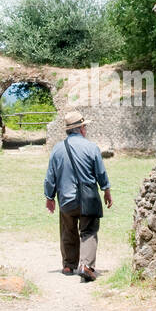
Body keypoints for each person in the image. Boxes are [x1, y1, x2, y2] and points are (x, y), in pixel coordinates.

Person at [44, 109, 112, 281]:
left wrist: (49, 197)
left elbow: (51, 176)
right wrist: (106, 191)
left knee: (68, 229)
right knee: (88, 230)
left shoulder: (57, 149)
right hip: (88, 199)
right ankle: (86, 265)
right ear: (81, 128)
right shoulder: (91, 147)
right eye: (84, 126)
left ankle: (68, 265)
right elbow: (100, 173)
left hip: (66, 199)